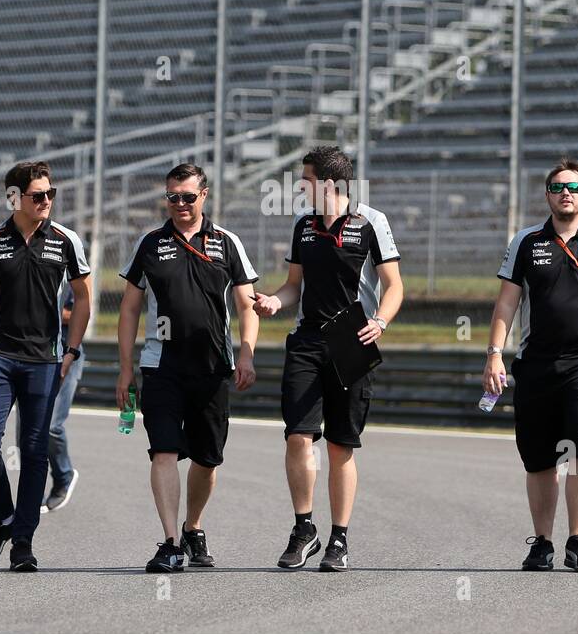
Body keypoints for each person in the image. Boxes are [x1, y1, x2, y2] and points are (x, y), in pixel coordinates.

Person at [484, 159, 578, 572]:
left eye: (573, 187)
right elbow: (506, 302)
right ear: (548, 195)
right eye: (557, 188)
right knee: (539, 460)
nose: (565, 193)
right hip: (535, 364)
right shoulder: (526, 241)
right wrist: (494, 354)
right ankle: (542, 543)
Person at [253, 146, 403, 572]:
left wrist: (381, 321)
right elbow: (292, 285)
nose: (301, 187)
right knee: (298, 436)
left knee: (340, 445)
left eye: (306, 180)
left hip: (352, 343)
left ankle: (339, 537)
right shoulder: (303, 226)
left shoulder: (371, 222)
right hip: (305, 343)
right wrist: (273, 302)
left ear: (329, 184)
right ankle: (304, 529)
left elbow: (394, 286)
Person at [117, 164, 259, 572]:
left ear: (204, 195)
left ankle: (193, 527)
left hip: (214, 367)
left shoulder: (227, 243)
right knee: (163, 450)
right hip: (161, 366)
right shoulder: (149, 243)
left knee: (207, 458)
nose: (179, 204)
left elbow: (247, 305)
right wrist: (126, 369)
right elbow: (129, 308)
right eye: (172, 197)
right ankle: (170, 542)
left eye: (187, 196)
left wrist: (245, 354)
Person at [0, 161, 90, 572]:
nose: (46, 201)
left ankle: (23, 543)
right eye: (38, 195)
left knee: (33, 452)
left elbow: (84, 297)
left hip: (46, 361)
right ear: (15, 197)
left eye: (51, 193)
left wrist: (71, 348)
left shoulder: (67, 240)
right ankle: (3, 516)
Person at [40, 278, 83, 514]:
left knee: (51, 424)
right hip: (38, 348)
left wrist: (43, 307)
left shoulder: (74, 270)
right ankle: (33, 492)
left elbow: (80, 310)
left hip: (69, 349)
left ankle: (63, 476)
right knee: (31, 427)